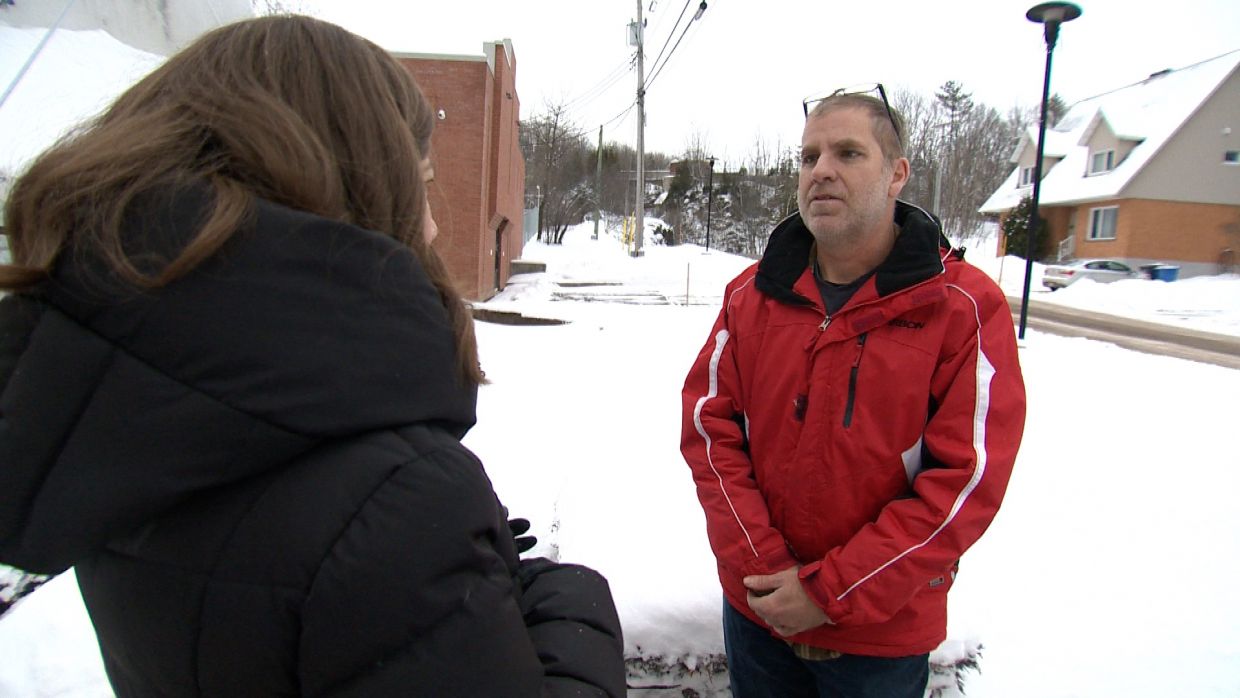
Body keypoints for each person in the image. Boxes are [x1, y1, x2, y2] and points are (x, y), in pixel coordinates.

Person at [0, 15, 624, 696]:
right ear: (350, 190)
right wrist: (572, 604)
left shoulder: (115, 424)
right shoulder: (396, 502)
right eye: (420, 182)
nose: (435, 222)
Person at [680, 85, 1026, 697]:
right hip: (759, 618)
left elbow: (965, 482)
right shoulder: (750, 296)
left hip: (879, 638)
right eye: (808, 157)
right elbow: (711, 435)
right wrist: (767, 571)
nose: (822, 172)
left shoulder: (962, 308)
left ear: (897, 174)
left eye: (847, 153)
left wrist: (829, 592)